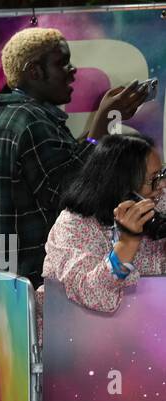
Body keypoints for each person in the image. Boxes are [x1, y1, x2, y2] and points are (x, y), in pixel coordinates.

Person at [0, 27, 151, 287]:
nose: (73, 71)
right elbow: (69, 192)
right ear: (34, 71)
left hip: (8, 279)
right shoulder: (30, 121)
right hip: (34, 279)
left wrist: (100, 125)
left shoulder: (2, 115)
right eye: (62, 63)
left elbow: (61, 164)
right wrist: (102, 123)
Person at [41, 133, 166, 325]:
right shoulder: (74, 226)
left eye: (162, 174)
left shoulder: (158, 201)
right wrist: (128, 244)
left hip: (146, 333)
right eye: (153, 179)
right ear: (122, 187)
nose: (162, 185)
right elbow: (95, 294)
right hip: (79, 339)